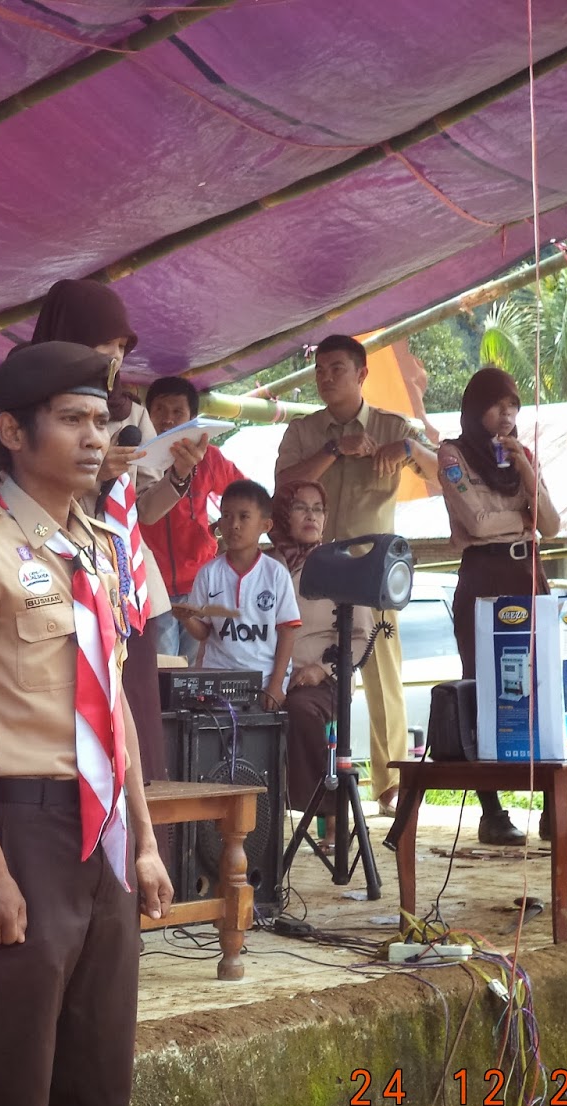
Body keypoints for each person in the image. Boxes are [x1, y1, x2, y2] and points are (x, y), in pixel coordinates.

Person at [0, 341, 172, 1106]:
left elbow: (117, 710)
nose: (94, 437)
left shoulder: (103, 548)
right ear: (12, 430)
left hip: (104, 830)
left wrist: (144, 841)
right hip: (24, 823)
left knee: (103, 1066)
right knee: (18, 1069)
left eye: (102, 421)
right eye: (72, 420)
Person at [28, 277, 207, 782]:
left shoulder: (131, 411)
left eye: (120, 349)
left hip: (131, 588)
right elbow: (20, 490)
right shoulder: (32, 404)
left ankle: (142, 852)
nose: (113, 358)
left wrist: (178, 474)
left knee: (139, 724)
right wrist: (92, 474)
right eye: (102, 346)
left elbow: (144, 509)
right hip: (66, 580)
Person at [274, 334, 437, 818]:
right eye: (320, 370)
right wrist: (335, 449)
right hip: (311, 572)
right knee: (309, 673)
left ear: (362, 374)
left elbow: (443, 474)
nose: (326, 378)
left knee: (382, 675)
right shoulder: (305, 431)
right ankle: (317, 782)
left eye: (337, 369)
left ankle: (388, 784)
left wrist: (407, 445)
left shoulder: (392, 424)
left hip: (374, 572)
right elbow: (282, 485)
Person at [437, 367, 564, 847]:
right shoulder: (453, 453)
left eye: (513, 405)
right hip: (484, 573)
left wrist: (525, 470)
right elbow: (478, 522)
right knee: (483, 683)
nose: (506, 414)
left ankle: (554, 808)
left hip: (528, 572)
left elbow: (549, 524)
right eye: (497, 404)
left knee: (542, 679)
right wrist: (521, 515)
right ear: (475, 409)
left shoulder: (522, 454)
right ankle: (492, 811)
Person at [267, 480, 372, 820]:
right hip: (267, 675)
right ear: (282, 515)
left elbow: (360, 637)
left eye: (318, 509)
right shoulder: (265, 565)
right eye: (300, 507)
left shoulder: (341, 566)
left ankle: (326, 808)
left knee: (299, 710)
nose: (310, 516)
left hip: (320, 680)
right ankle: (253, 813)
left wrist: (321, 670)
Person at [142, 375, 246, 662]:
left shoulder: (209, 457)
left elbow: (244, 494)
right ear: (147, 414)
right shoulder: (139, 457)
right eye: (160, 410)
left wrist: (226, 523)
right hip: (152, 585)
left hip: (199, 585)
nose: (167, 419)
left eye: (178, 412)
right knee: (162, 667)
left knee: (192, 670)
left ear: (193, 418)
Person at [176, 480, 300, 705]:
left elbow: (288, 632)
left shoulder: (275, 574)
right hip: (217, 680)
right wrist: (187, 620)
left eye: (244, 517)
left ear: (266, 525)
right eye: (226, 515)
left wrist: (276, 684)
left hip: (263, 681)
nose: (234, 524)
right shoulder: (209, 573)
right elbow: (203, 633)